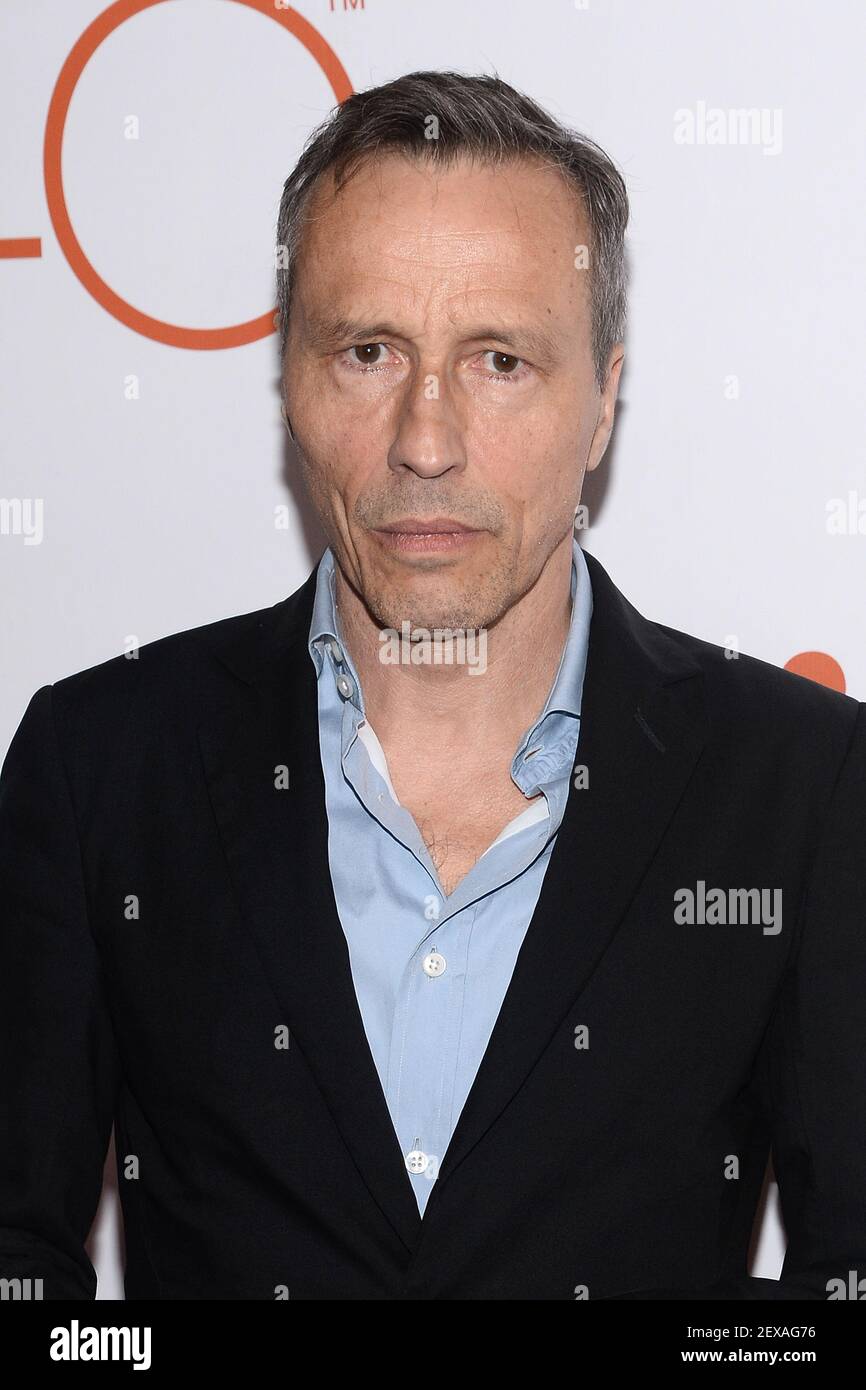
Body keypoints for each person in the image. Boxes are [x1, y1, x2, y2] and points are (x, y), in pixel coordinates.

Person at [1, 70, 864, 1301]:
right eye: (368, 351)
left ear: (602, 401)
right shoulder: (101, 765)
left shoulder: (802, 786)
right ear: (290, 383)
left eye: (499, 361)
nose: (424, 440)